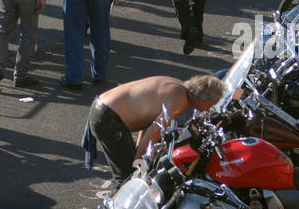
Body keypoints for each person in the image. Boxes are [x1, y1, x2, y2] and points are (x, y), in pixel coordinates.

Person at [82, 75, 226, 182]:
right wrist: (139, 163)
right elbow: (154, 132)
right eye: (212, 104)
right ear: (203, 100)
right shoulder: (179, 101)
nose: (210, 108)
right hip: (108, 118)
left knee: (129, 170)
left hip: (103, 108)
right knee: (127, 178)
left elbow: (147, 123)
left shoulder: (177, 86)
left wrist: (138, 150)